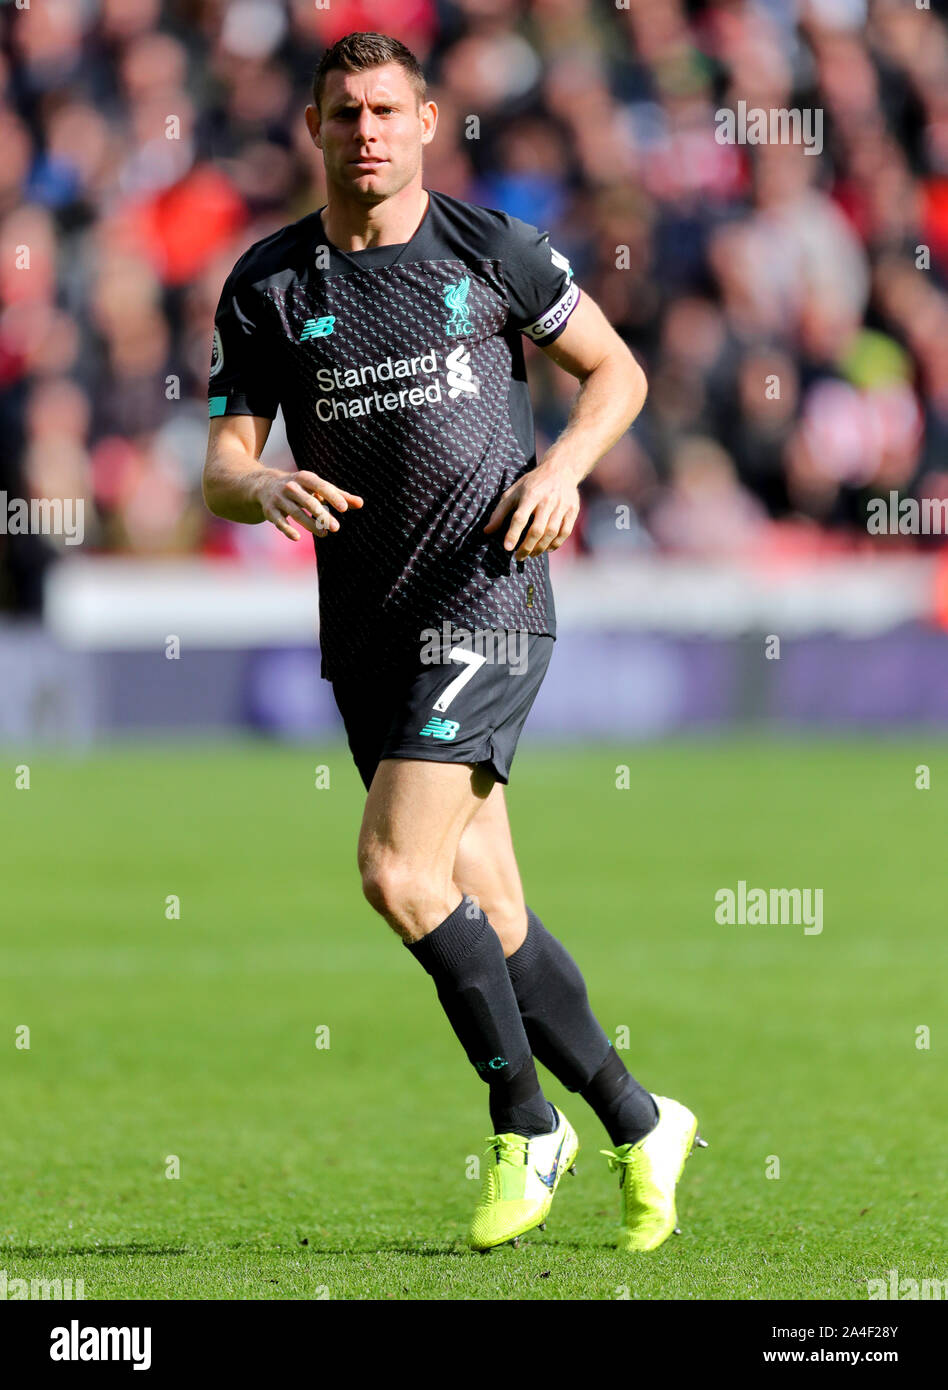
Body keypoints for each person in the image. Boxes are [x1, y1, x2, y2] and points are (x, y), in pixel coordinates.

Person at [202, 29, 704, 1253]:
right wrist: (260, 486)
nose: (365, 133)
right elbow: (217, 463)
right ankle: (643, 1120)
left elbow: (616, 373)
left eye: (386, 111)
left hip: (487, 598)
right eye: (342, 115)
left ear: (428, 121)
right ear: (313, 132)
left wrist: (565, 468)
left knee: (394, 872)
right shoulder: (268, 285)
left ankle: (525, 1121)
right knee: (492, 913)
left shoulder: (495, 251)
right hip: (364, 631)